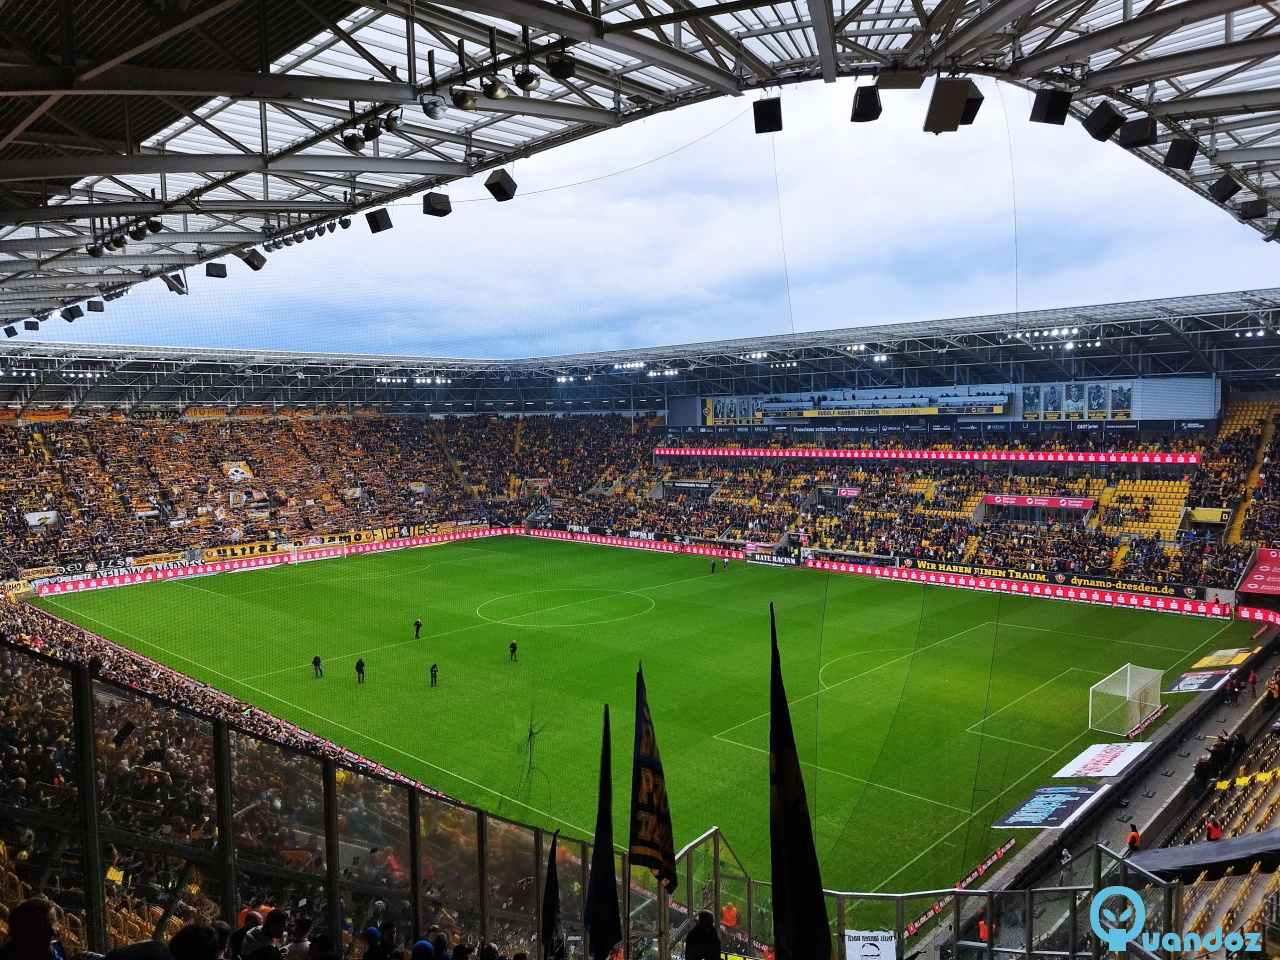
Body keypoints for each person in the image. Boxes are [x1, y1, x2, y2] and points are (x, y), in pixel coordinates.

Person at [0, 898, 65, 960]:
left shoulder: (55, 947)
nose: (54, 933)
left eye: (54, 924)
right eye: (44, 927)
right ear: (25, 931)